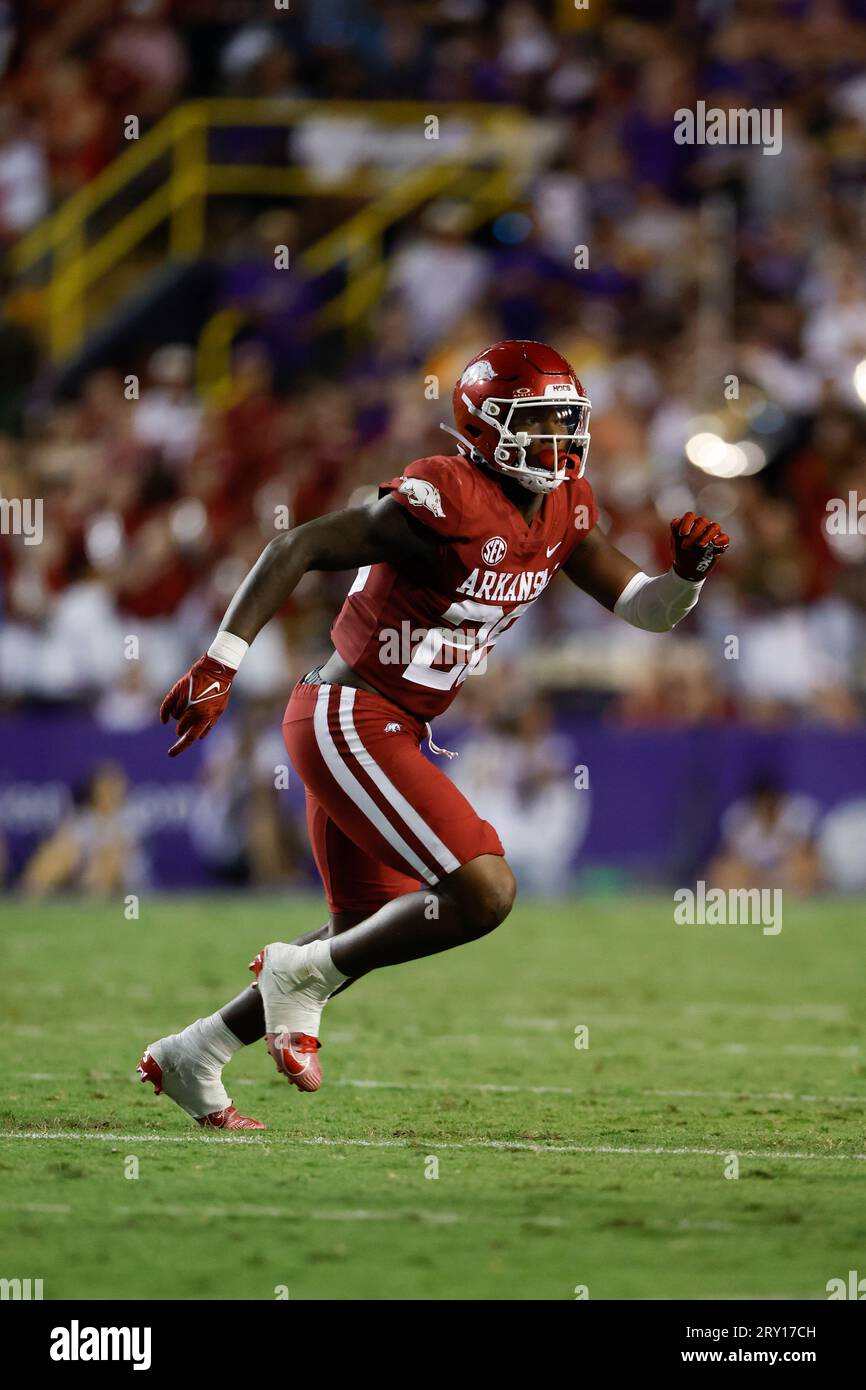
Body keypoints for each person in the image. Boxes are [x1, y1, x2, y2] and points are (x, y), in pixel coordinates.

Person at [138, 339, 730, 1129]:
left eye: (567, 420)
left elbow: (646, 611)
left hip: (394, 726)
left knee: (362, 936)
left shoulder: (565, 508)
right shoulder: (446, 494)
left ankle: (195, 1053)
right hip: (349, 716)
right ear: (484, 429)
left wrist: (686, 577)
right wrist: (221, 661)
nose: (559, 439)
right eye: (538, 421)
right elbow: (299, 544)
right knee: (484, 892)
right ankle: (294, 978)